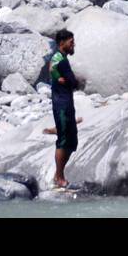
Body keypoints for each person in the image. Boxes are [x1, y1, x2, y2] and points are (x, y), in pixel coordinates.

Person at [48, 29, 79, 188]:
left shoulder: (57, 58)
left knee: (71, 140)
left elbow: (64, 78)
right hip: (62, 104)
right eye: (71, 42)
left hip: (63, 102)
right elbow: (72, 81)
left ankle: (58, 174)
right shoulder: (61, 60)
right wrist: (74, 82)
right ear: (62, 43)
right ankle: (59, 177)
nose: (74, 45)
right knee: (64, 139)